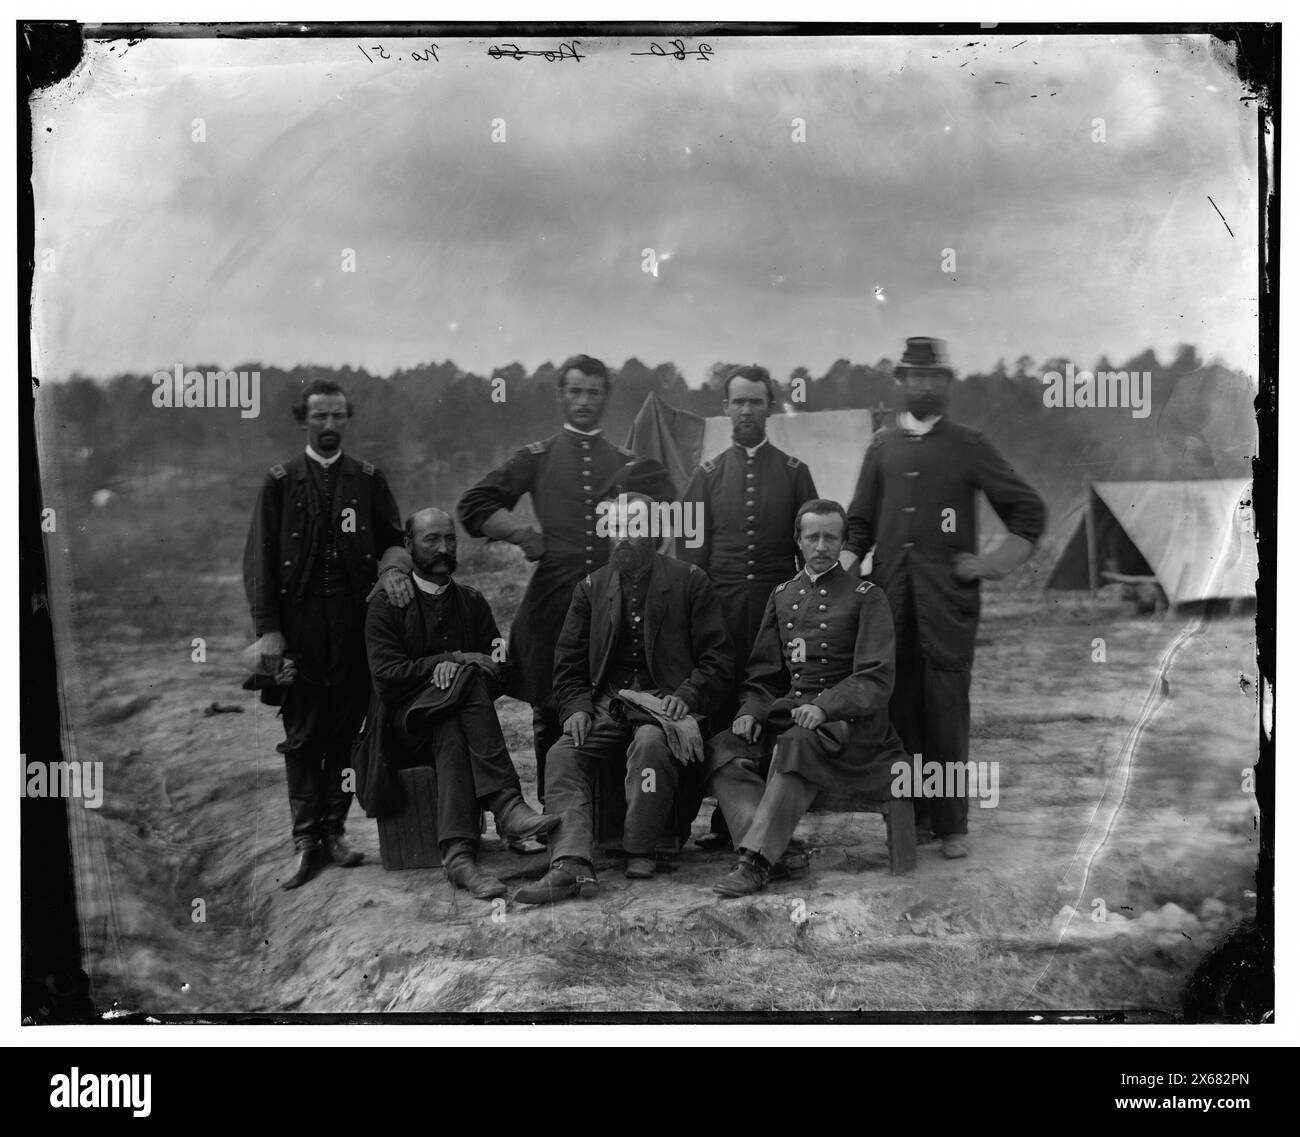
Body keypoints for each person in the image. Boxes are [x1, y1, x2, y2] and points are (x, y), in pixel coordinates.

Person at [844, 337, 1046, 859]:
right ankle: (918, 820)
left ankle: (953, 826)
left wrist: (993, 564)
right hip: (891, 604)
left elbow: (1027, 511)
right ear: (901, 382)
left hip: (948, 608)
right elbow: (860, 523)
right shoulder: (881, 447)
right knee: (900, 712)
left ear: (946, 384)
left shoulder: (968, 445)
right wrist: (844, 574)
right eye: (914, 376)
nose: (924, 384)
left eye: (933, 377)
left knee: (946, 711)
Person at [455, 356, 673, 803]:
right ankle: (555, 814)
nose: (584, 401)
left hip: (618, 602)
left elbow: (668, 518)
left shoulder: (627, 462)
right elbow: (473, 505)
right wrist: (524, 535)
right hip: (554, 601)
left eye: (593, 392)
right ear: (561, 396)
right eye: (575, 391)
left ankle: (607, 818)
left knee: (614, 708)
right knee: (551, 710)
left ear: (605, 397)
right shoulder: (538, 457)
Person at [514, 493, 733, 905]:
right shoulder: (592, 587)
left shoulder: (689, 580)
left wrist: (687, 694)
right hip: (608, 703)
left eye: (634, 528)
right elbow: (569, 662)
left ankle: (642, 846)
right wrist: (577, 707)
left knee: (650, 744)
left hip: (665, 703)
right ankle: (571, 862)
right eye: (615, 529)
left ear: (656, 533)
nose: (623, 539)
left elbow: (717, 657)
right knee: (563, 754)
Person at [243, 379, 410, 890]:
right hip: (299, 628)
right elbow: (260, 562)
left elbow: (391, 541)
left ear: (347, 419)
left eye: (339, 416)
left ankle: (335, 832)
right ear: (304, 420)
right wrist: (269, 632)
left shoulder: (368, 478)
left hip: (354, 625)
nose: (331, 426)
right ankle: (305, 843)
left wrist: (393, 569)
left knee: (344, 731)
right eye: (321, 417)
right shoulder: (280, 481)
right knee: (301, 735)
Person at [707, 499, 910, 897]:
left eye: (830, 537)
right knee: (724, 748)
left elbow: (874, 678)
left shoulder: (867, 596)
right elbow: (763, 674)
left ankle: (756, 863)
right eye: (812, 537)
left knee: (797, 743)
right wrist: (751, 710)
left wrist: (824, 706)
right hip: (791, 719)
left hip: (850, 728)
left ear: (843, 542)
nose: (821, 546)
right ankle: (774, 849)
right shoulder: (782, 595)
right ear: (798, 540)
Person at [364, 508, 559, 900]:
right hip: (402, 731)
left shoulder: (471, 602)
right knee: (465, 676)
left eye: (449, 539)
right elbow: (387, 677)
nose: (443, 548)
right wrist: (450, 661)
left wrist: (463, 672)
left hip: (448, 729)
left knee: (452, 724)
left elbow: (499, 668)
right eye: (430, 539)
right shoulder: (387, 604)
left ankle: (459, 859)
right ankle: (506, 805)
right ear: (409, 546)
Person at [678, 364, 818, 853]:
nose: (745, 410)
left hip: (777, 614)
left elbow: (811, 552)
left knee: (770, 702)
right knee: (721, 704)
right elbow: (690, 557)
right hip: (721, 613)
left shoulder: (795, 473)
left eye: (755, 401)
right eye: (737, 402)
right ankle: (724, 816)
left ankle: (769, 811)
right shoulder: (708, 474)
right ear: (725, 408)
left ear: (770, 406)